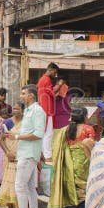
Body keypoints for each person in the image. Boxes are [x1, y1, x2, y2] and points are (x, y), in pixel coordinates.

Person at [4, 85, 46, 208]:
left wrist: (16, 136)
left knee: (20, 187)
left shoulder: (37, 111)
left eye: (23, 93)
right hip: (26, 153)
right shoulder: (28, 110)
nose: (21, 96)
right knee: (29, 188)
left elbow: (38, 134)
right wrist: (14, 135)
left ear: (31, 96)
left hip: (29, 154)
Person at [50, 108, 96, 208]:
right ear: (85, 117)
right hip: (85, 165)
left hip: (70, 165)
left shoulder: (67, 130)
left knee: (72, 195)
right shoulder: (88, 129)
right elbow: (91, 147)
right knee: (87, 195)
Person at [0, 103, 22, 208]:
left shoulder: (26, 123)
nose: (15, 110)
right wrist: (7, 152)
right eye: (14, 108)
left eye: (18, 108)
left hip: (21, 155)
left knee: (19, 182)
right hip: (9, 156)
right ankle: (10, 206)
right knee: (9, 181)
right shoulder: (8, 122)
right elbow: (1, 140)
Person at [37, 63, 59, 191]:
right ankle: (47, 155)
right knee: (48, 134)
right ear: (50, 70)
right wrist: (60, 85)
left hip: (44, 109)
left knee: (45, 133)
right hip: (47, 110)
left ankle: (44, 153)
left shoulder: (42, 80)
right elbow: (53, 93)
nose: (55, 75)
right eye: (54, 72)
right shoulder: (46, 80)